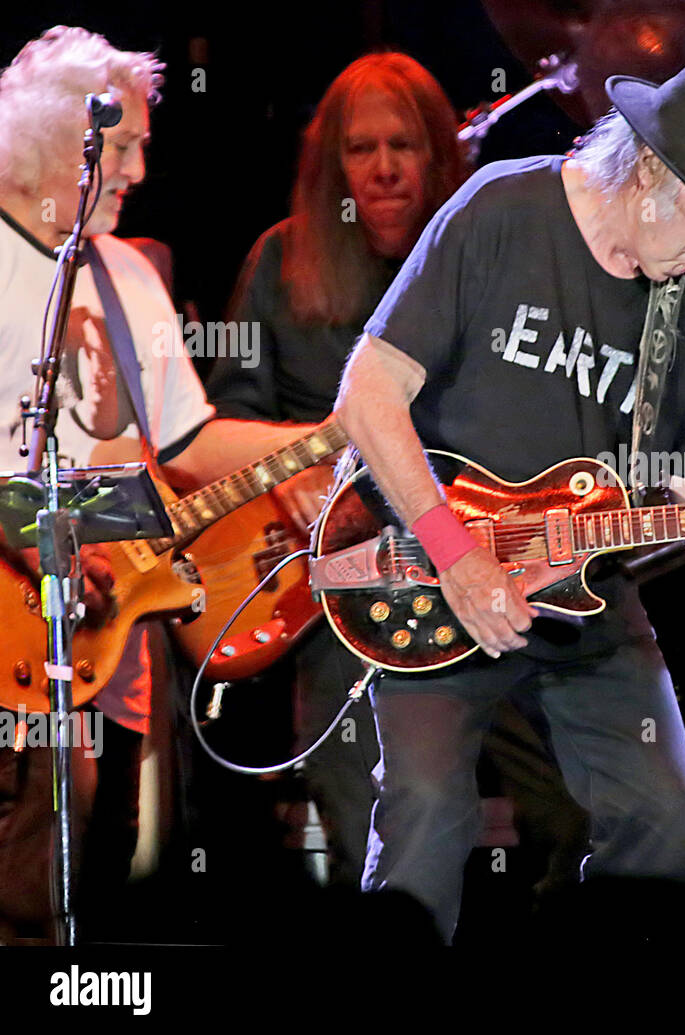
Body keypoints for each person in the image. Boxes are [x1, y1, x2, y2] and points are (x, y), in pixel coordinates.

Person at [333, 59, 685, 945]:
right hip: (436, 572)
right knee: (426, 818)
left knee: (664, 827)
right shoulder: (502, 209)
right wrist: (460, 556)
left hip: (584, 590)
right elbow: (367, 396)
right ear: (648, 173)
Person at [206, 51, 590, 900]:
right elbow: (214, 428)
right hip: (341, 593)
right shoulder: (281, 259)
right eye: (359, 149)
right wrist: (300, 463)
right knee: (373, 828)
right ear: (330, 165)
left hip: (481, 572)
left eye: (404, 146)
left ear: (441, 158)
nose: (382, 170)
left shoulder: (492, 258)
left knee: (573, 809)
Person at [0, 26, 326, 943]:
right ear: (63, 143)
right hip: (14, 613)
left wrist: (322, 443)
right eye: (128, 145)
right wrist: (32, 533)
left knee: (102, 862)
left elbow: (188, 437)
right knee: (33, 859)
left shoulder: (130, 273)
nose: (141, 170)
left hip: (112, 626)